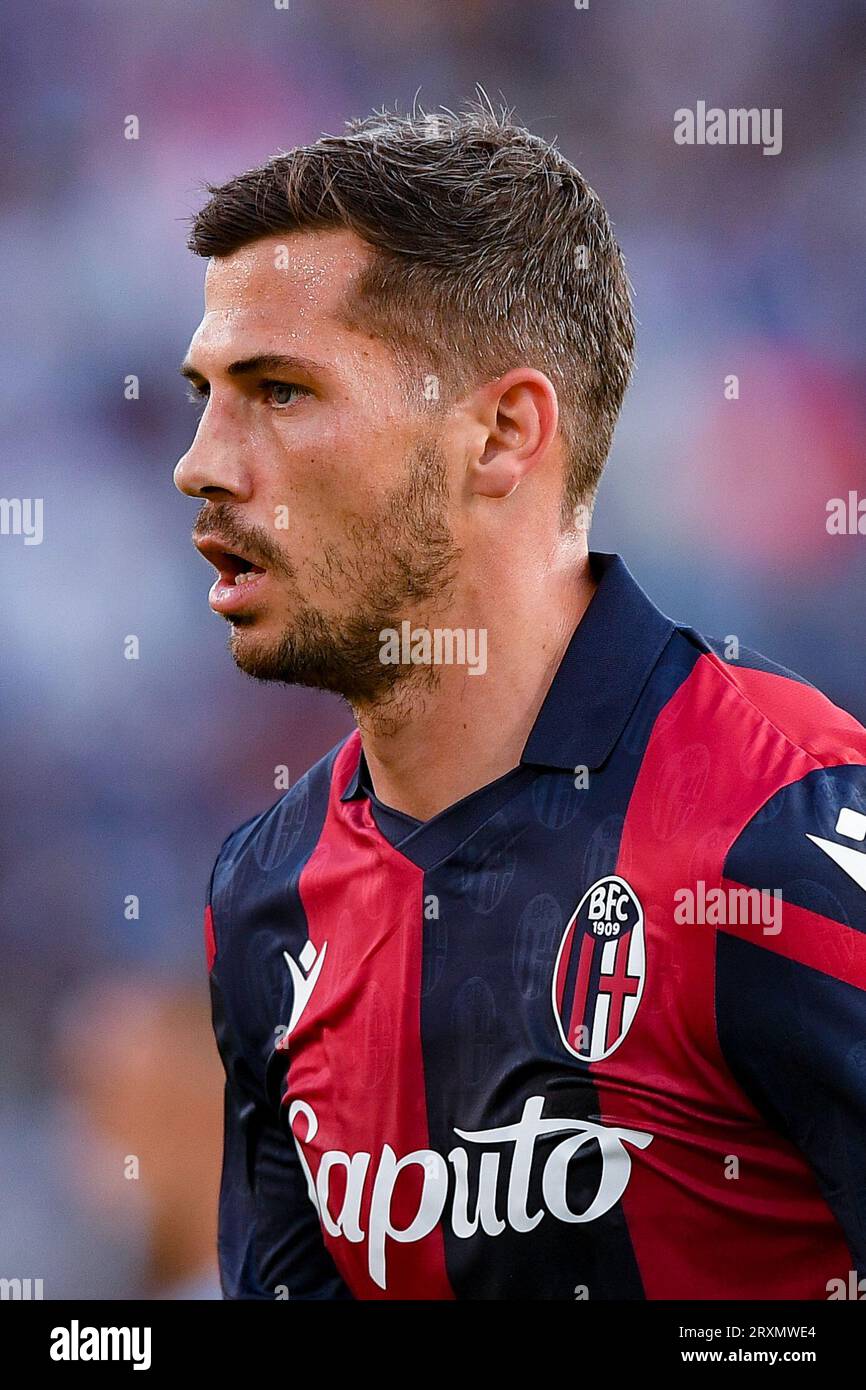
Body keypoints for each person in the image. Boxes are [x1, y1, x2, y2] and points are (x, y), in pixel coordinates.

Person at [174, 101, 866, 1300]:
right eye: (205, 392)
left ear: (499, 433)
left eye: (279, 391)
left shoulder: (779, 827)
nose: (202, 462)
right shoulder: (263, 895)